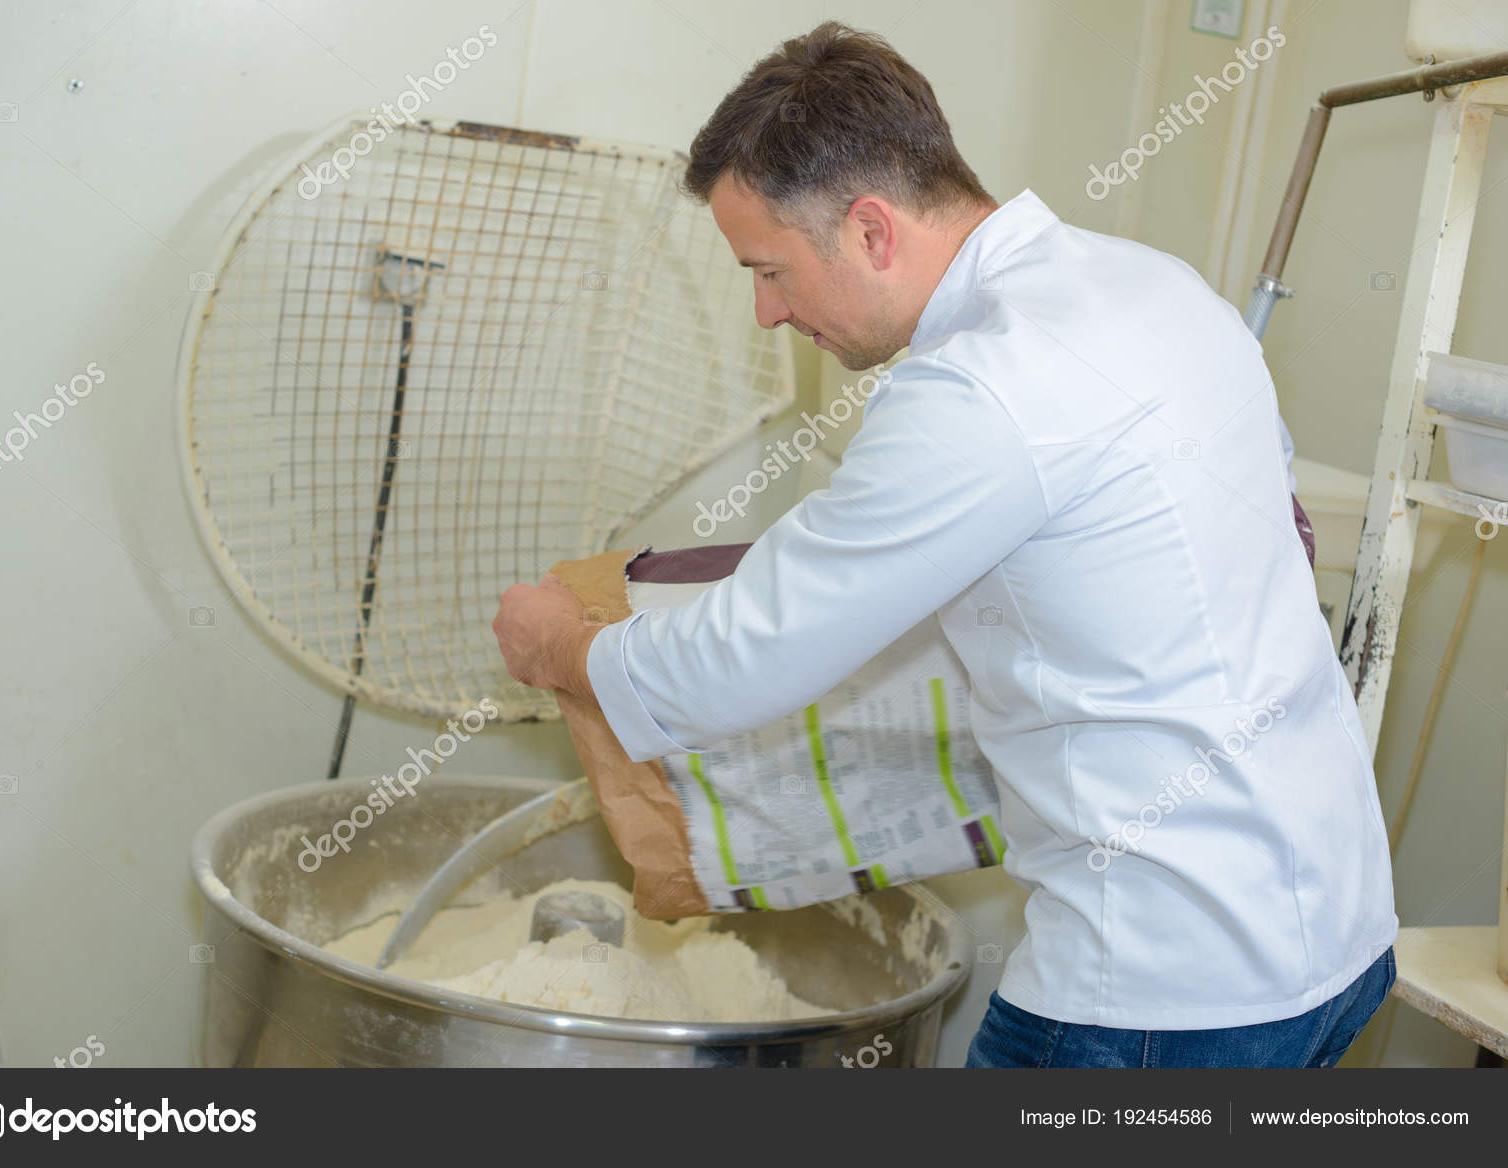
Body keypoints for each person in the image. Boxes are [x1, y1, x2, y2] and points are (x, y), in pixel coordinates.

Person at [491, 21, 1396, 1068]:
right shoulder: (1156, 287)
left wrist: (563, 644)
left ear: (871, 230)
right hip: (1334, 937)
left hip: (1160, 991)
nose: (765, 312)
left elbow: (745, 658)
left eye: (771, 269)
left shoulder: (978, 388)